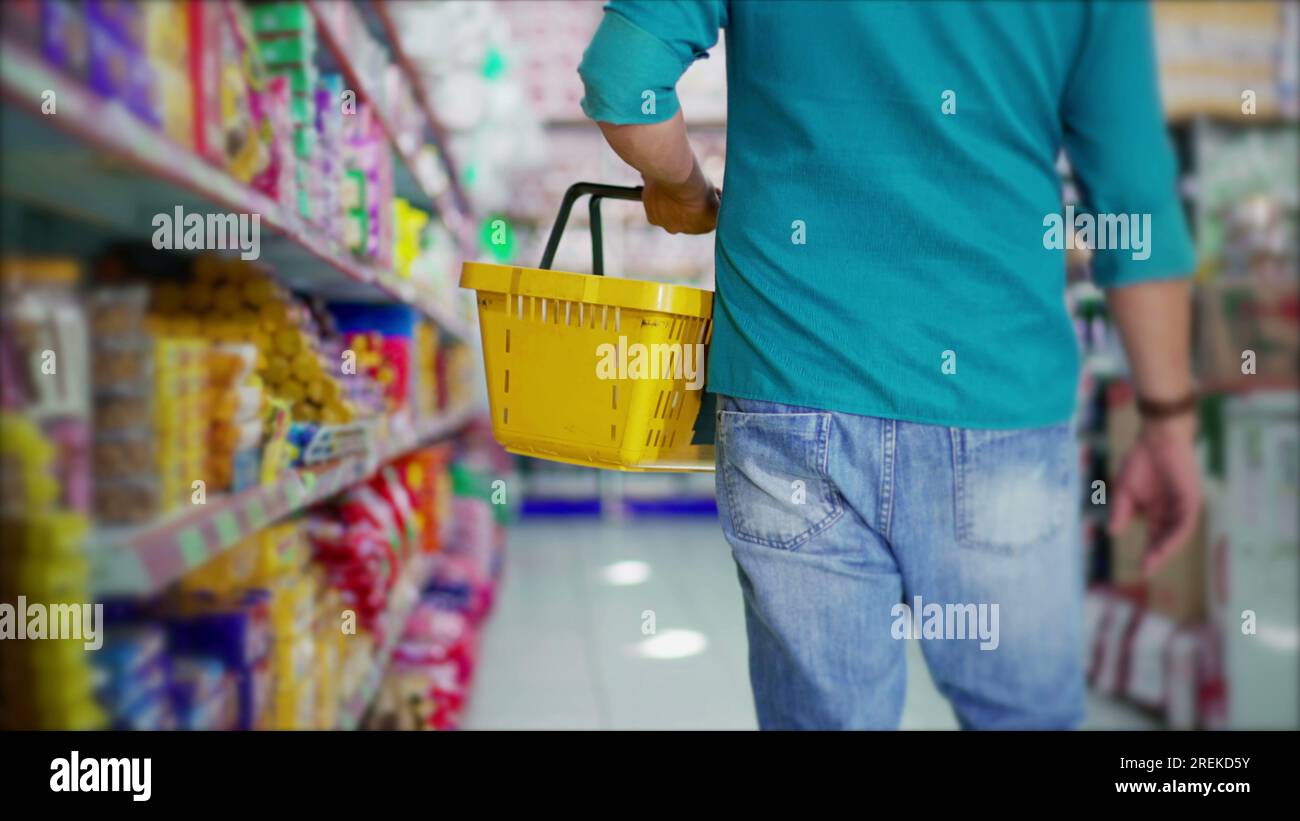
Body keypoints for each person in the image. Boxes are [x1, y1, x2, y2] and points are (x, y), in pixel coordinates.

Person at [578, 0, 1201, 729]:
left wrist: (684, 190)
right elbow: (1136, 208)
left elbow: (624, 81)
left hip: (790, 385)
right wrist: (1166, 423)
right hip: (996, 394)